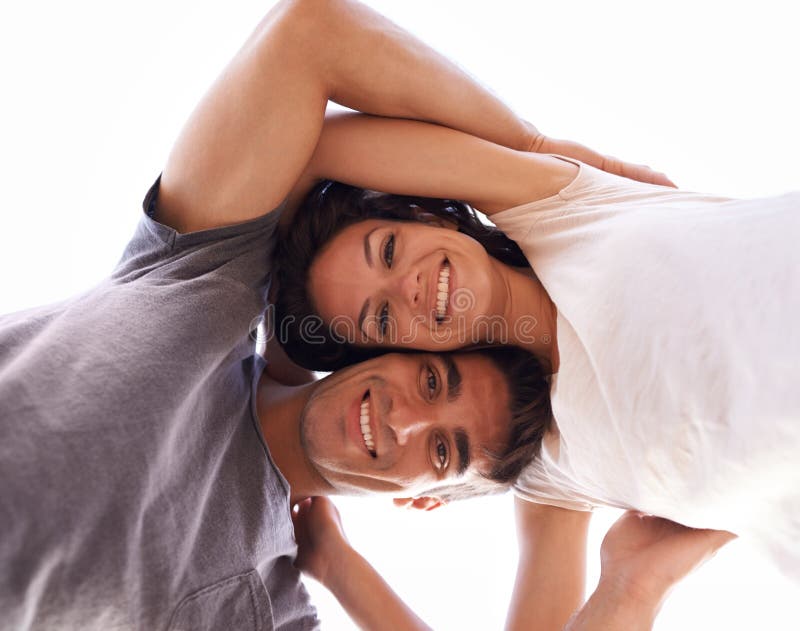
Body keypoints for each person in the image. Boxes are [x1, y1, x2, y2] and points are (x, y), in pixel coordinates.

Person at [0, 1, 729, 629]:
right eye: (433, 377)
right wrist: (531, 149)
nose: (406, 419)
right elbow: (310, 34)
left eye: (443, 452)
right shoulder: (205, 288)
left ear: (427, 502)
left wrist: (633, 587)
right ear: (383, 348)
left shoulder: (263, 601)